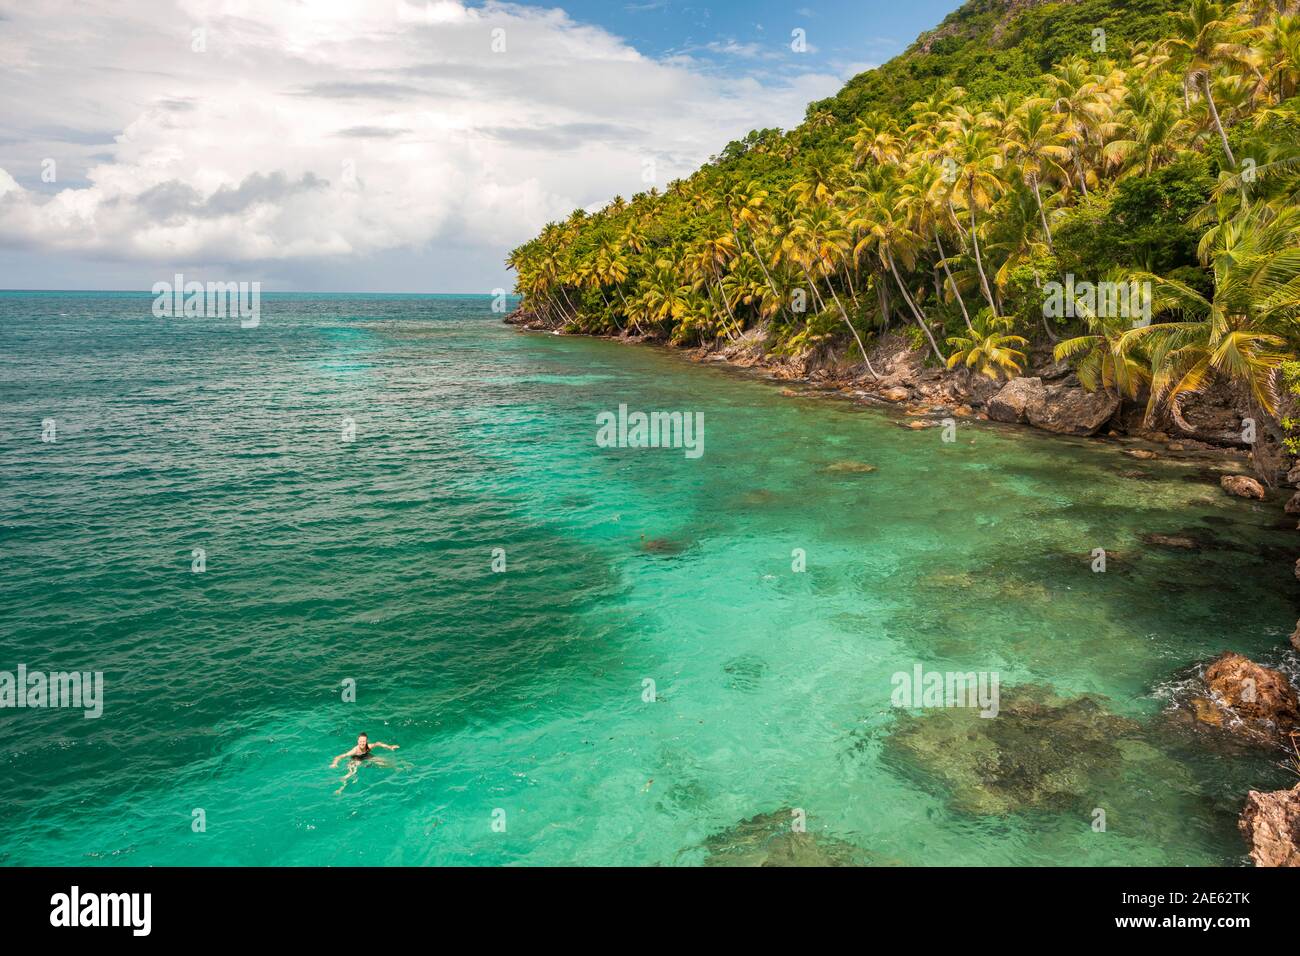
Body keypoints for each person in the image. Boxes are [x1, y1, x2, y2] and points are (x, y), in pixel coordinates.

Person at [330, 733, 399, 793]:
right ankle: (340, 789)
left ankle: (396, 768)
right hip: (356, 760)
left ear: (366, 741)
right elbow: (340, 756)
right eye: (361, 741)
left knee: (383, 761)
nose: (362, 743)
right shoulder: (354, 750)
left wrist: (390, 746)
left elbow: (378, 743)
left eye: (364, 741)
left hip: (366, 756)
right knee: (351, 773)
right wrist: (334, 763)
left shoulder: (368, 746)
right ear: (358, 741)